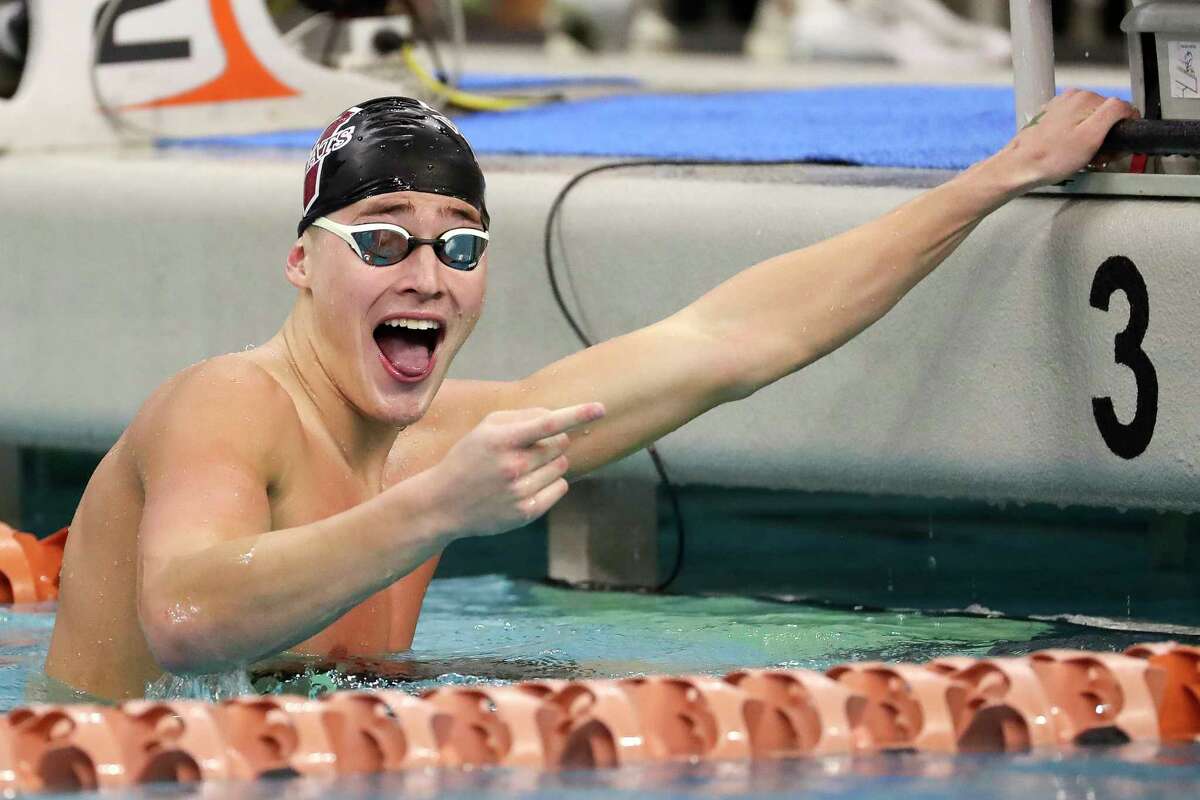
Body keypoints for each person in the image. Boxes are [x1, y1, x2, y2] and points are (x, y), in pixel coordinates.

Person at [44, 90, 1134, 700]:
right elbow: (184, 616)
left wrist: (995, 178)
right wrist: (435, 510)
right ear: (301, 262)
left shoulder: (446, 439)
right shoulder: (228, 404)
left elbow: (731, 339)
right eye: (383, 240)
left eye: (460, 246)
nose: (426, 275)